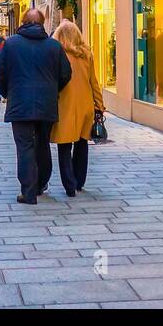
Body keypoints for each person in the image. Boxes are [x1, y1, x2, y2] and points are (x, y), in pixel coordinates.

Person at [0, 8, 71, 204]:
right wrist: (53, 90)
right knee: (42, 143)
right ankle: (41, 184)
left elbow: (0, 73)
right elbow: (65, 74)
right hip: (46, 103)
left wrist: (7, 93)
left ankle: (28, 191)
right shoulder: (54, 46)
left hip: (19, 103)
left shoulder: (10, 45)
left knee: (24, 146)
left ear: (22, 21)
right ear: (43, 23)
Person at [51, 20, 105, 197]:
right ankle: (79, 181)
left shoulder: (57, 53)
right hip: (85, 104)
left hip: (63, 104)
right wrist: (99, 104)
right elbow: (93, 82)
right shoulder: (86, 54)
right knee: (82, 144)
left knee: (64, 146)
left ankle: (69, 185)